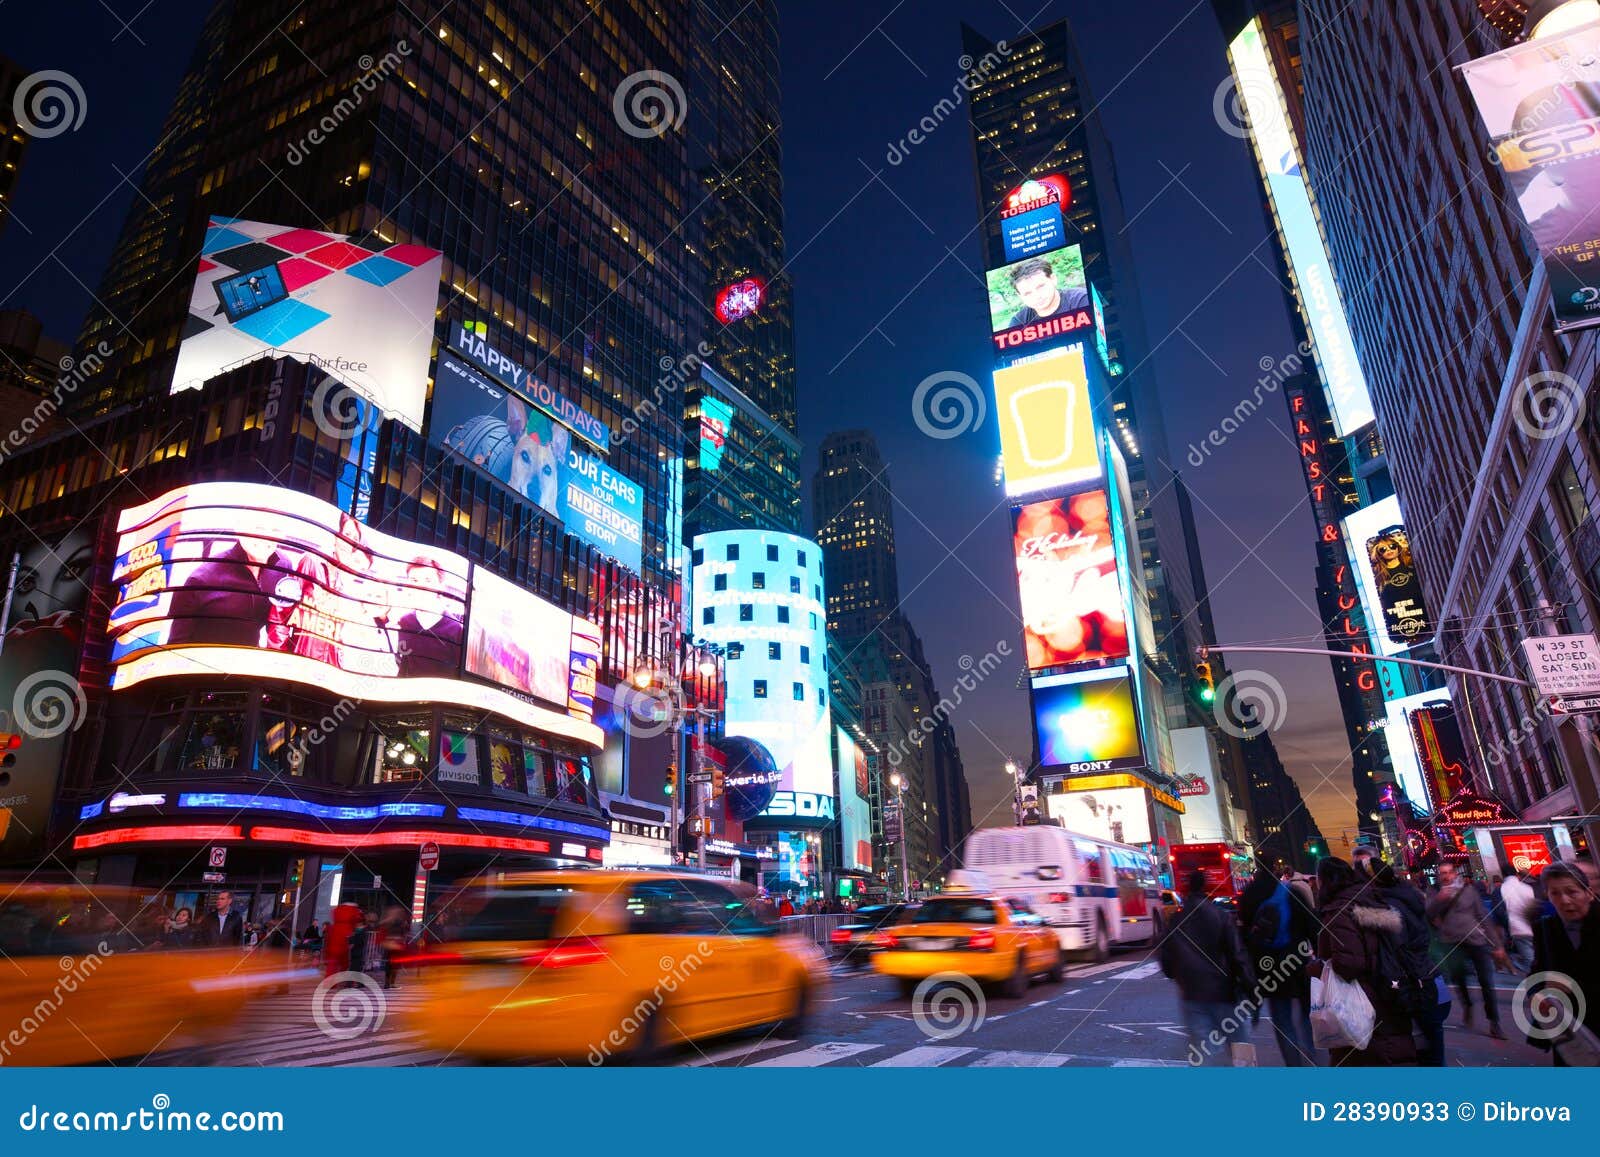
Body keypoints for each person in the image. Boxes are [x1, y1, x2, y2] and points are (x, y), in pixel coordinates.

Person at [1315, 857, 1416, 1065]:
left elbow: (1348, 964)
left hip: (1361, 1002)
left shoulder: (1339, 911)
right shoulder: (1370, 899)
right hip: (1388, 989)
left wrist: (1316, 969)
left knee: (1363, 1057)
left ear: (1325, 880)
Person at [1355, 849, 1447, 1065]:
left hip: (1413, 984)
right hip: (1431, 976)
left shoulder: (1385, 910)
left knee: (1422, 1049)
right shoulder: (1409, 896)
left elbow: (1397, 950)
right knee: (1433, 1041)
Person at [1159, 869, 1255, 1066]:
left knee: (1201, 1053)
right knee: (1241, 1048)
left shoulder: (1176, 920)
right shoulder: (1220, 916)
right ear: (1205, 888)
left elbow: (1166, 961)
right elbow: (1238, 955)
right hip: (1226, 994)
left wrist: (1179, 975)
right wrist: (1250, 989)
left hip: (1192, 995)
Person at [1239, 860, 1318, 1066]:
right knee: (1307, 1013)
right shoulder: (1291, 892)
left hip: (1268, 968)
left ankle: (1294, 1065)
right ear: (1276, 869)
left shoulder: (1249, 895)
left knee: (1283, 1021)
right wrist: (1318, 957)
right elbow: (1312, 927)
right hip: (1299, 962)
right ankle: (1312, 1055)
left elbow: (1244, 936)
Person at [1526, 861, 1599, 1066]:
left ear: (1588, 893)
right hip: (1569, 1033)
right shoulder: (1545, 928)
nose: (1564, 900)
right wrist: (1536, 993)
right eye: (1555, 894)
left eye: (1571, 892)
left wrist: (1572, 987)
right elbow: (1537, 971)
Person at [1427, 862, 1509, 1039]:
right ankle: (1467, 1006)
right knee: (1459, 979)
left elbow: (1483, 916)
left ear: (1455, 874)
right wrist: (1439, 900)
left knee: (1486, 981)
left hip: (1476, 941)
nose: (1446, 876)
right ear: (1438, 876)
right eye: (1443, 873)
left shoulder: (1468, 890)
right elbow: (1428, 915)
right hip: (1451, 942)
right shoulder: (1434, 893)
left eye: (1449, 872)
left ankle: (1494, 1021)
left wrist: (1497, 945)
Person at [1004, 257, 1090, 328]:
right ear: (1020, 296)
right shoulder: (1018, 323)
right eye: (1027, 293)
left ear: (1053, 279)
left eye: (1041, 287)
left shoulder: (1082, 300)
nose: (1037, 296)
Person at [1500, 868, 1541, 975]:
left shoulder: (1501, 889)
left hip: (1517, 928)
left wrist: (1507, 927)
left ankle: (1538, 979)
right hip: (1533, 926)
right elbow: (1536, 907)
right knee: (1537, 955)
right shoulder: (1528, 887)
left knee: (1529, 959)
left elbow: (1500, 912)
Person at [379, 905, 409, 990]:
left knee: (393, 965)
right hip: (392, 944)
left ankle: (389, 983)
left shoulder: (398, 922)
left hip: (393, 944)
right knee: (392, 964)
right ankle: (389, 983)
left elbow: (404, 932)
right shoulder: (391, 921)